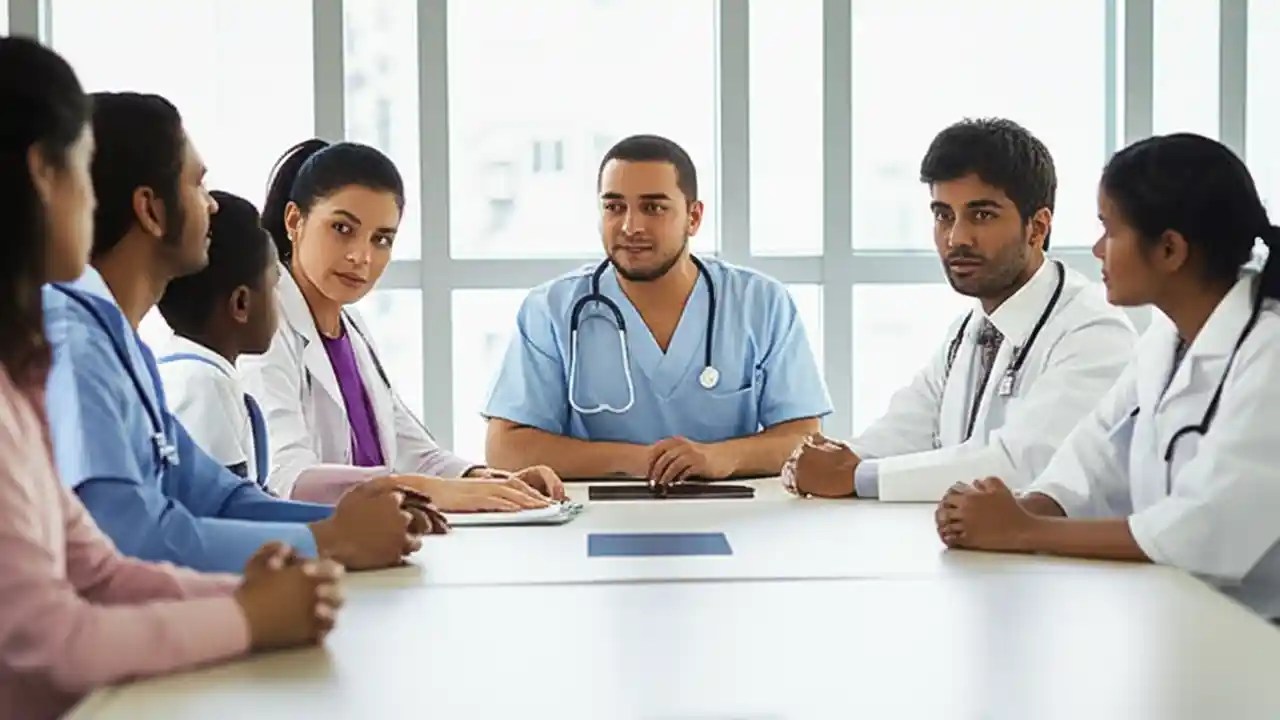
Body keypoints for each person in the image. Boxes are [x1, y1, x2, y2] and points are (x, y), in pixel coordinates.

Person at [0, 37, 344, 720]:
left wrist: (267, 592)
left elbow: (102, 566)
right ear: (43, 175)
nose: (212, 205)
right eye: (81, 168)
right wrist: (251, 614)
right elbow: (53, 636)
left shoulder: (38, 365)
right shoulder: (65, 345)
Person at [43, 92, 433, 574]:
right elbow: (130, 539)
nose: (212, 205)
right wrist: (329, 539)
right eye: (197, 184)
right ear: (151, 210)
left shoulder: (122, 346)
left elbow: (218, 497)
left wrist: (347, 524)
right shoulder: (75, 348)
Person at [938, 133, 1280, 621]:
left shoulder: (1269, 352)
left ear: (1169, 249)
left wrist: (1022, 530)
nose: (1097, 250)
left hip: (1260, 631)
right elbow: (1091, 458)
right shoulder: (1163, 342)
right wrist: (1014, 508)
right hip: (1183, 613)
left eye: (1110, 231)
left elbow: (1205, 529)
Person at [783, 118, 1136, 502]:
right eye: (943, 215)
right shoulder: (971, 329)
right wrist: (837, 458)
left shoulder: (1093, 331)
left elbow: (1022, 466)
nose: (956, 238)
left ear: (1037, 227)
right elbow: (906, 428)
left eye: (981, 215)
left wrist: (855, 476)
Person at [483, 134, 832, 485]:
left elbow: (804, 437)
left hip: (733, 510)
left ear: (693, 217)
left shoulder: (761, 303)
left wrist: (720, 457)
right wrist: (644, 461)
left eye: (653, 208)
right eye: (614, 207)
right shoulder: (551, 309)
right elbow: (506, 449)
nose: (630, 227)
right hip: (597, 513)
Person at [239, 139, 565, 508]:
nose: (361, 256)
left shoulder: (352, 327)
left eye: (381, 239)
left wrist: (487, 480)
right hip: (316, 538)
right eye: (342, 228)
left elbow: (412, 449)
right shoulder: (264, 330)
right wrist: (430, 491)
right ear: (294, 221)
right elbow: (287, 478)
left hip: (377, 532)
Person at [156, 191, 284, 488]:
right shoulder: (203, 385)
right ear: (241, 303)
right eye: (274, 285)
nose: (280, 301)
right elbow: (227, 507)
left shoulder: (190, 372)